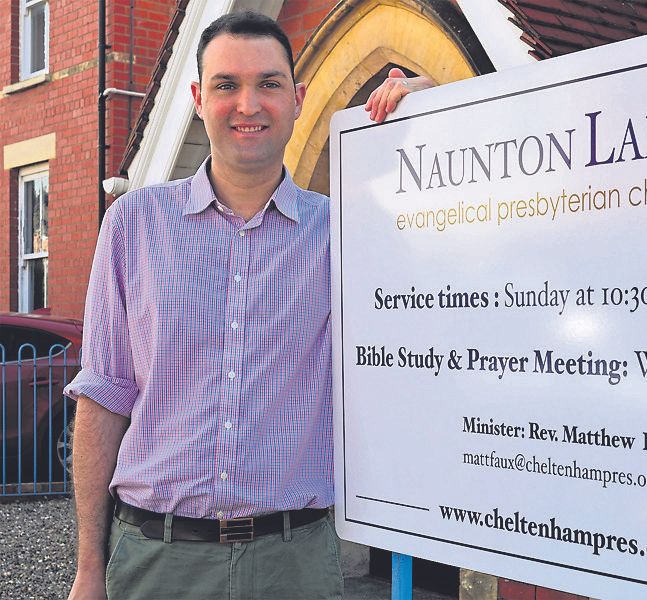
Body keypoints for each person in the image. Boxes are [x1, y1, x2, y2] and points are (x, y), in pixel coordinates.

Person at [65, 11, 433, 600]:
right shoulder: (132, 225)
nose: (248, 104)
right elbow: (104, 394)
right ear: (197, 98)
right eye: (226, 85)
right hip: (159, 562)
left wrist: (435, 110)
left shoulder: (345, 231)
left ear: (298, 97)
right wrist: (88, 568)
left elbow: (449, 258)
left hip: (296, 563)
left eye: (268, 83)